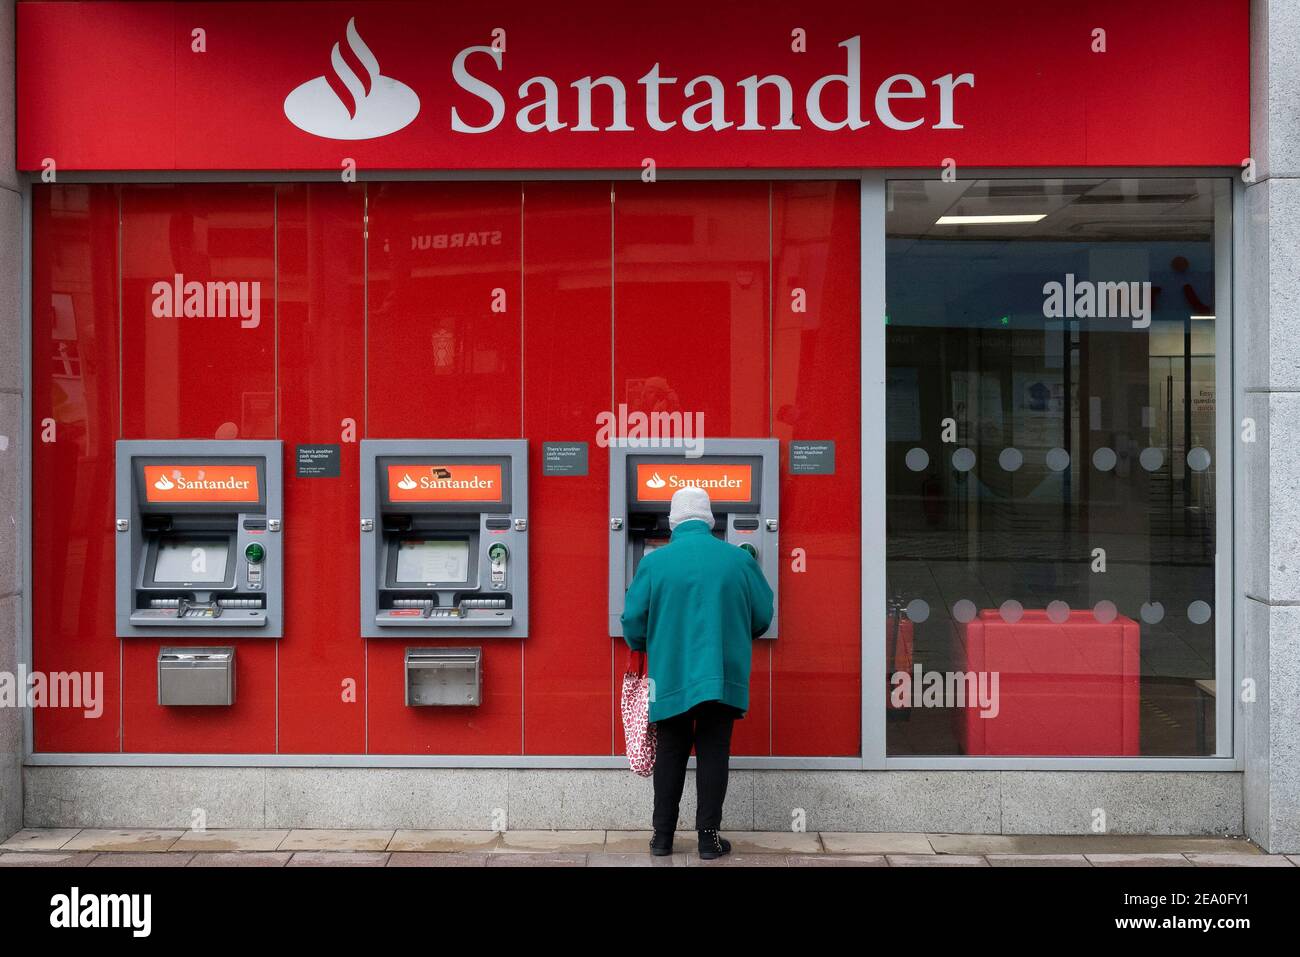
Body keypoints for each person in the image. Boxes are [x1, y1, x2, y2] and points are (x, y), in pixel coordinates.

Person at [621, 485, 775, 859]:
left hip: (670, 675)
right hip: (721, 675)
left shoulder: (654, 563)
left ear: (674, 522)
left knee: (671, 750)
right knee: (714, 751)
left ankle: (662, 838)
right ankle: (709, 839)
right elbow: (762, 616)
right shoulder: (738, 560)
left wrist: (650, 640)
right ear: (710, 520)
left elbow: (633, 625)